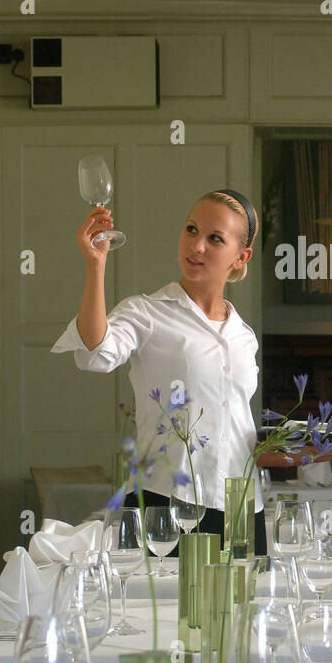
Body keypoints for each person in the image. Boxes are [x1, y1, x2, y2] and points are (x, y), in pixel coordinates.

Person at [51, 188, 269, 555]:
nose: (196, 246)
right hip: (166, 503)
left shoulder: (243, 335)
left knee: (246, 611)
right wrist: (96, 266)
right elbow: (96, 353)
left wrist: (292, 449)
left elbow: (235, 428)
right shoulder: (146, 313)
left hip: (242, 506)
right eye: (191, 229)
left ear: (240, 256)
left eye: (215, 238)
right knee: (156, 614)